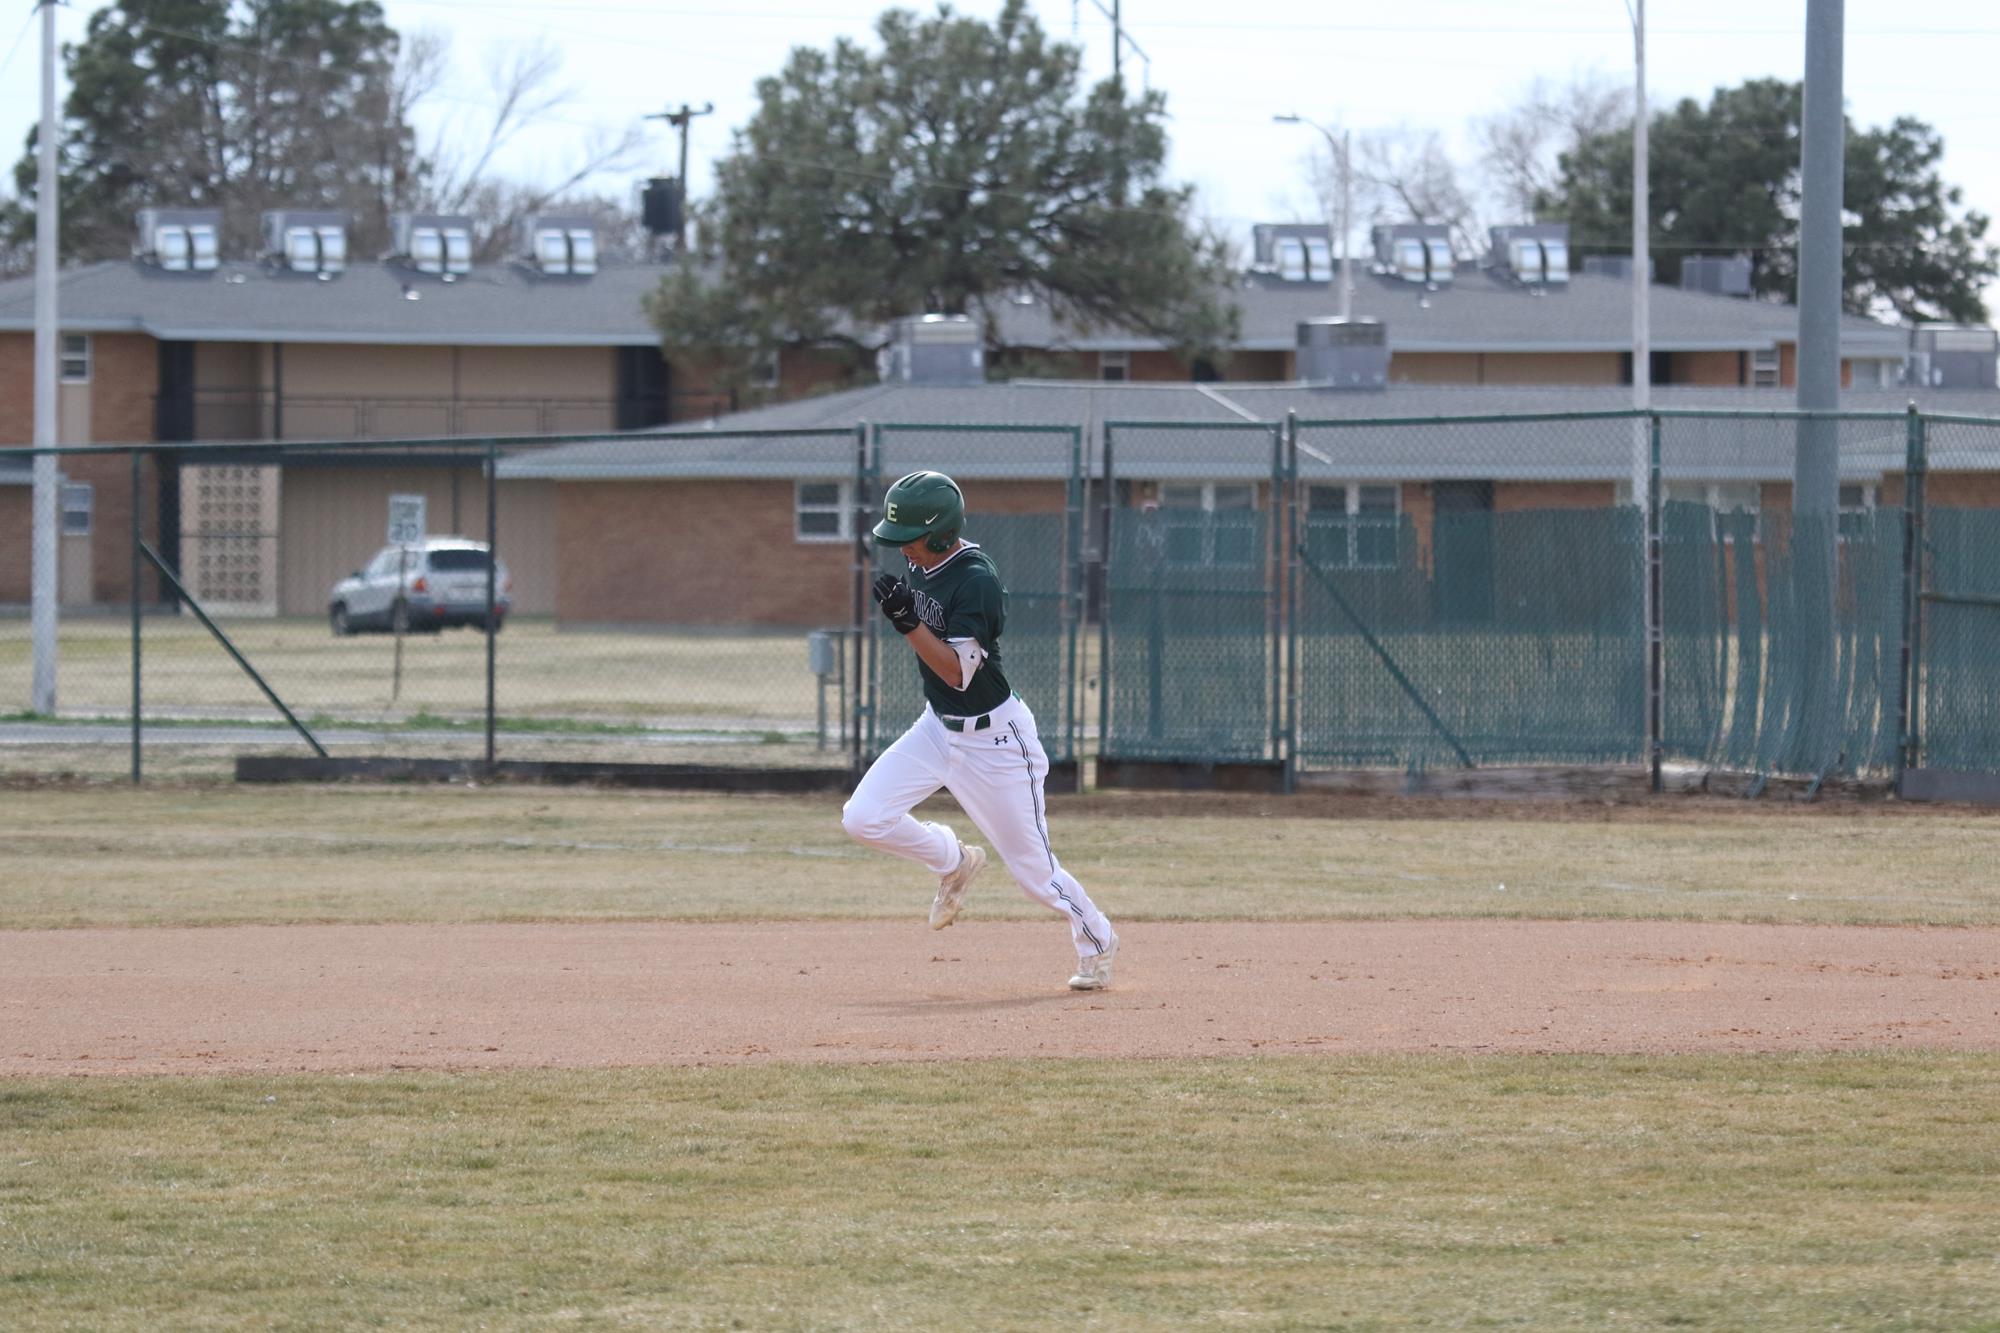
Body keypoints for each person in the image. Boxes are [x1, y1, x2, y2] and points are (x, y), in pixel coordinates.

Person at [840, 470, 1119, 991]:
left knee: (1035, 875)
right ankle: (953, 860)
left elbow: (957, 673)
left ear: (943, 533)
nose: (903, 550)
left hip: (997, 743)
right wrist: (910, 618)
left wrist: (907, 623)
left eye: (911, 538)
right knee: (863, 818)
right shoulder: (920, 564)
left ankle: (1097, 941)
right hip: (936, 728)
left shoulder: (977, 581)